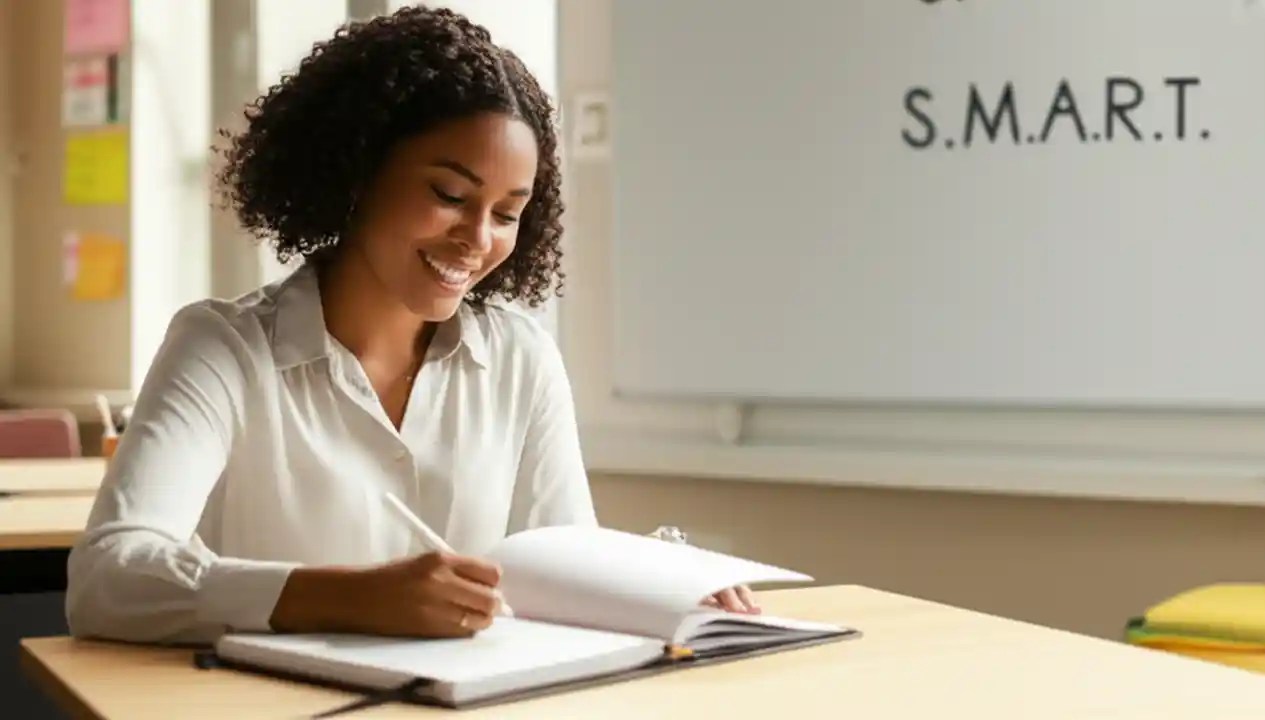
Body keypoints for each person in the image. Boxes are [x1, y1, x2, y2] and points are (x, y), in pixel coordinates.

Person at [65, 7, 755, 645]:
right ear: (356, 173)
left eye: (508, 213)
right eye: (450, 196)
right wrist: (347, 597)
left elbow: (562, 563)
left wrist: (666, 586)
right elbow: (108, 579)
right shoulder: (222, 350)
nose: (477, 239)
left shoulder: (523, 360)